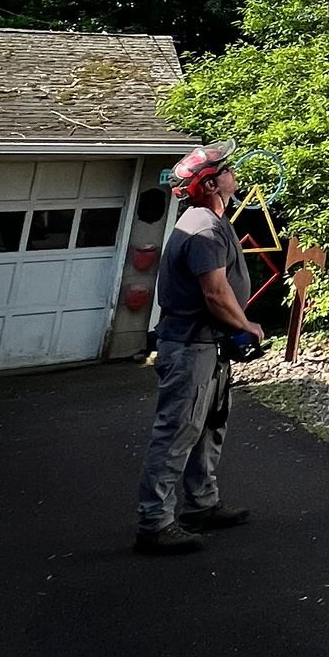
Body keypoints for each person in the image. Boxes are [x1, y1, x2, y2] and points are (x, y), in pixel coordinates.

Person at [133, 142, 264, 556]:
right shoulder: (204, 228)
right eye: (224, 169)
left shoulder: (210, 220)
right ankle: (155, 524)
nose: (232, 171)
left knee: (208, 428)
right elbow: (215, 294)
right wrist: (247, 326)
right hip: (191, 347)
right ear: (210, 184)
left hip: (209, 346)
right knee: (177, 433)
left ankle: (201, 505)